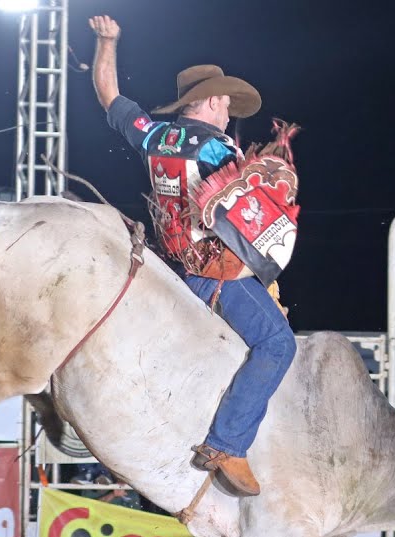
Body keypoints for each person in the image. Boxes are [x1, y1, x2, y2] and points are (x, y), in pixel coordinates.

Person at [90, 15, 294, 496]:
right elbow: (244, 218)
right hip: (217, 275)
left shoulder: (155, 136)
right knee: (277, 344)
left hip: (172, 269)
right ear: (211, 101)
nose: (229, 111)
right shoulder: (219, 151)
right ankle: (228, 444)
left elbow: (107, 94)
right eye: (225, 102)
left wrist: (106, 42)